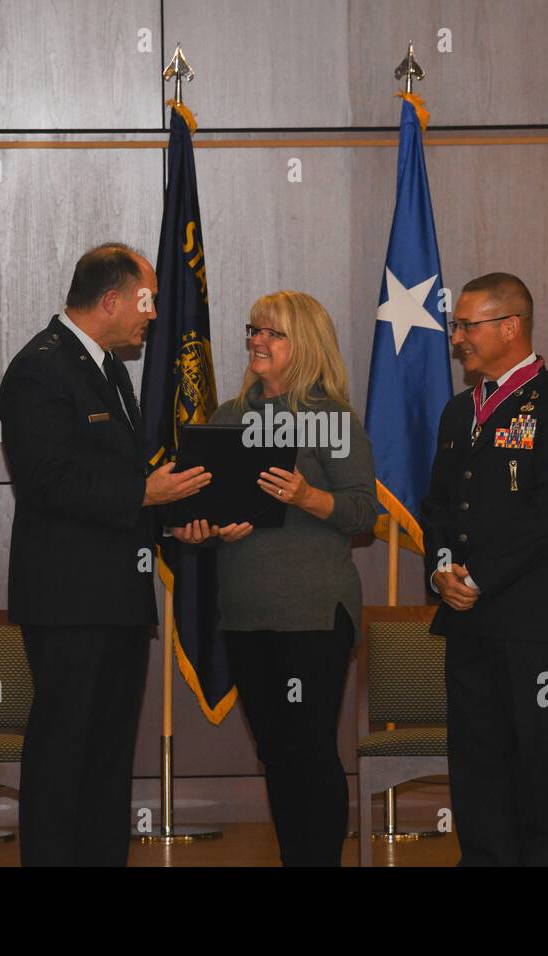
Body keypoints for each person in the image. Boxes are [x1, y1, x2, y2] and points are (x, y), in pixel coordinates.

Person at [0, 242, 209, 866]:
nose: (152, 316)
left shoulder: (110, 367)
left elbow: (117, 481)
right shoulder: (39, 369)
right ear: (111, 300)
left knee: (109, 754)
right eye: (145, 301)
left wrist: (176, 517)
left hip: (118, 595)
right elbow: (47, 481)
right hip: (67, 600)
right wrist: (146, 490)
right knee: (64, 752)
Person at [172, 290, 377, 866]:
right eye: (254, 330)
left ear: (304, 344)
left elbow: (364, 514)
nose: (257, 341)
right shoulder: (227, 418)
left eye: (273, 333)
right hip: (245, 612)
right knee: (276, 752)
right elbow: (208, 507)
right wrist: (204, 530)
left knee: (310, 749)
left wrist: (308, 496)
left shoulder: (333, 419)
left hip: (313, 614)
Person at [421, 272, 548, 866]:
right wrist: (443, 569)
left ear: (510, 326)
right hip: (465, 621)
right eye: (457, 325)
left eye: (468, 325)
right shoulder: (456, 412)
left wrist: (480, 577)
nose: (458, 337)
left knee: (540, 762)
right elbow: (438, 505)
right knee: (475, 763)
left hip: (528, 620)